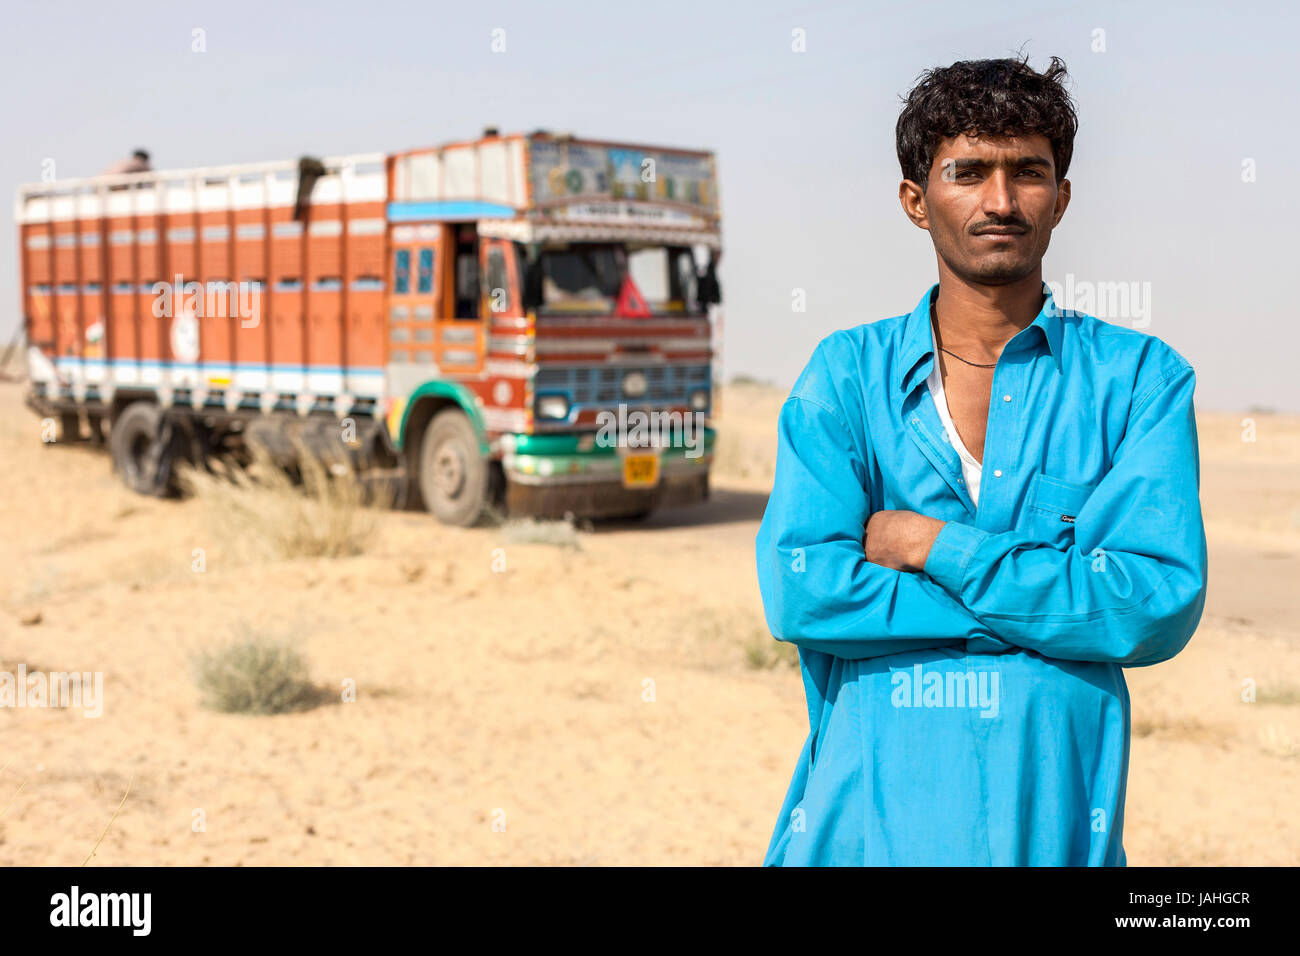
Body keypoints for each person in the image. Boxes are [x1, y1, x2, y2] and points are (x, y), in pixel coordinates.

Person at [754, 56, 1207, 866]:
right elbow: (803, 592)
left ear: (1061, 198)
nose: (1000, 201)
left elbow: (1154, 604)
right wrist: (1052, 609)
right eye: (968, 172)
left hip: (1052, 832)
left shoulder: (1138, 380)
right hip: (861, 834)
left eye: (1027, 172)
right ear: (916, 201)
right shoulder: (845, 378)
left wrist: (937, 548)